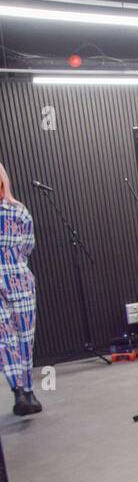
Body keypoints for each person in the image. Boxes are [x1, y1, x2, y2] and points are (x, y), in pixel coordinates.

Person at [0, 163, 40, 416]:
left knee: (22, 338)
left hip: (19, 281)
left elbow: (28, 245)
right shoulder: (20, 212)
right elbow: (27, 247)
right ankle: (21, 391)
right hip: (17, 278)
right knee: (9, 339)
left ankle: (25, 391)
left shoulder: (19, 211)